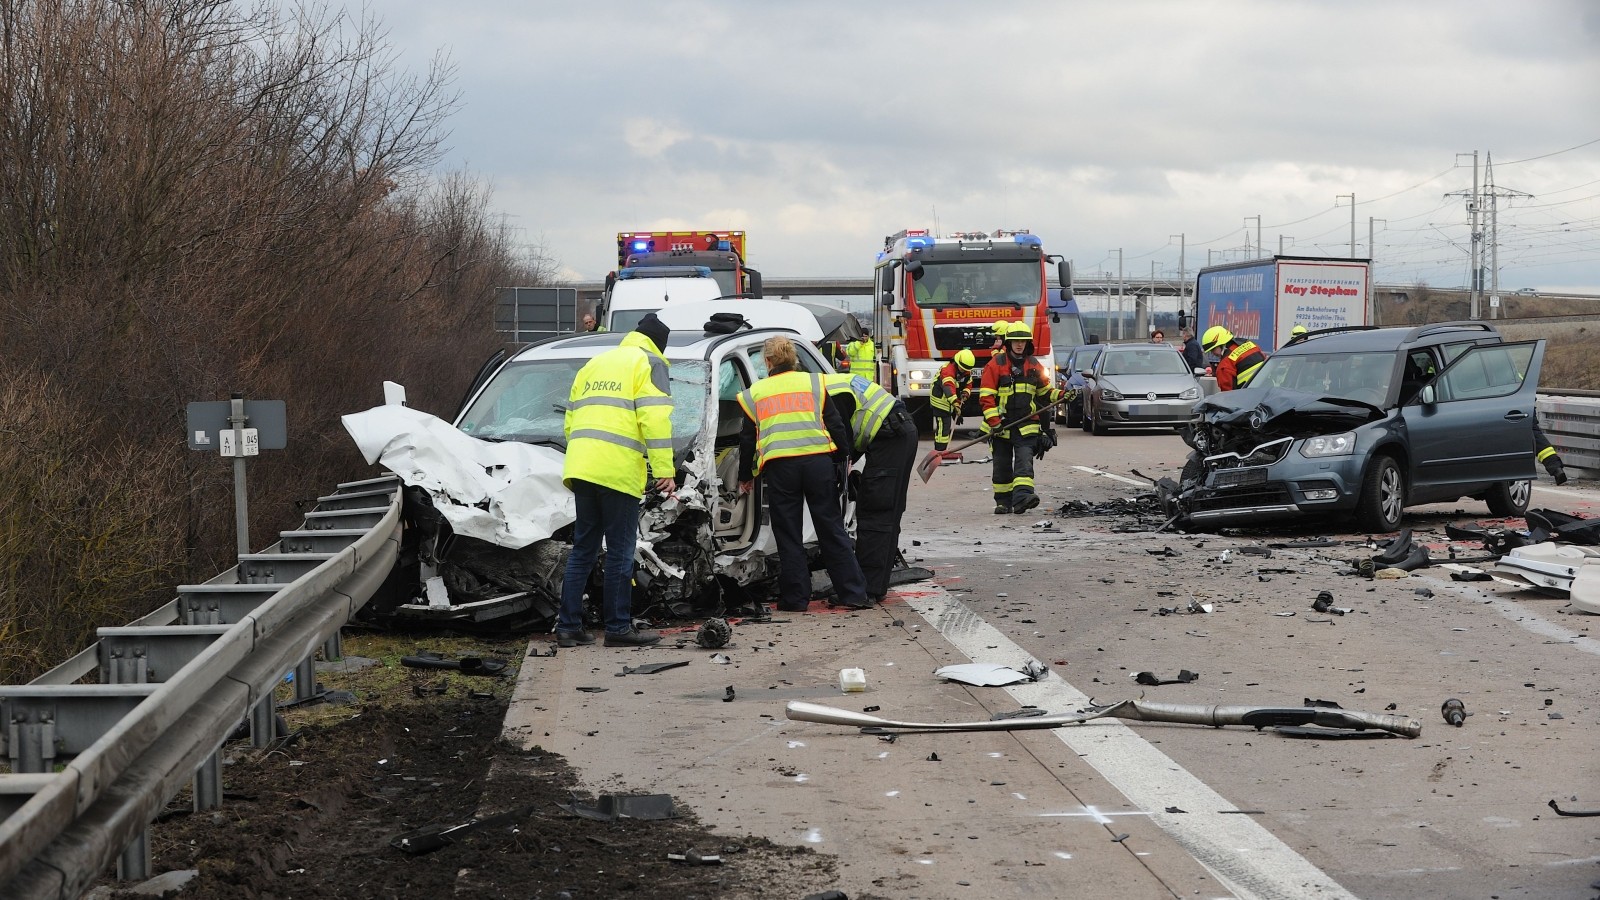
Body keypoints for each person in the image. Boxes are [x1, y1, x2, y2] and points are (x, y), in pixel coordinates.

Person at [555, 313, 675, 648]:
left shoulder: (596, 362)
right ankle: (618, 628)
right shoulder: (650, 362)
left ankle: (568, 627)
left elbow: (570, 420)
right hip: (617, 469)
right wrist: (664, 468)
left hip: (582, 467)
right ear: (658, 344)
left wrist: (586, 454)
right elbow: (655, 418)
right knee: (621, 550)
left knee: (584, 548)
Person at [737, 337, 869, 611]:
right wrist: (844, 458)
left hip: (781, 468)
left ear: (768, 361)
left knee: (788, 533)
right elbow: (836, 424)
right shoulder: (813, 383)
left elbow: (748, 440)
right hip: (818, 465)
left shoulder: (756, 393)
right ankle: (854, 593)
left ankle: (795, 599)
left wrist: (745, 475)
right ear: (794, 359)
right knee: (831, 527)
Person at [824, 372, 917, 604]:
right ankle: (875, 586)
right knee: (885, 514)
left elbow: (841, 436)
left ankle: (865, 590)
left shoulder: (830, 394)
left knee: (877, 513)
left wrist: (841, 465)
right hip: (896, 431)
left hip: (890, 436)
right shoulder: (832, 383)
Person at [979, 322, 1061, 514]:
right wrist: (995, 423)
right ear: (1008, 342)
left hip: (1026, 426)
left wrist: (1063, 395)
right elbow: (986, 397)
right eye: (1015, 341)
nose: (1019, 345)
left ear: (1027, 343)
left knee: (1024, 462)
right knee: (1002, 466)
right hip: (1001, 427)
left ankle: (1023, 497)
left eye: (1022, 341)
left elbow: (1045, 393)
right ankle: (1003, 502)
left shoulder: (1033, 364)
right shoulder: (995, 365)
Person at [931, 349, 977, 454]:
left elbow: (969, 383)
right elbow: (948, 389)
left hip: (950, 402)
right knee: (943, 429)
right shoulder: (947, 371)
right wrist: (956, 404)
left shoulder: (965, 370)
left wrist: (966, 393)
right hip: (940, 402)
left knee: (946, 428)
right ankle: (939, 451)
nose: (964, 371)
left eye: (967, 370)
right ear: (956, 363)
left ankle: (943, 451)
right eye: (963, 369)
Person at [1201, 325, 1267, 392]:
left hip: (1248, 397)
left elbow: (1228, 395)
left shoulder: (1224, 365)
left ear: (1220, 345)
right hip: (1268, 391)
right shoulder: (1251, 345)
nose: (1213, 353)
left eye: (1213, 349)